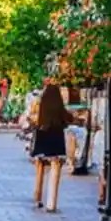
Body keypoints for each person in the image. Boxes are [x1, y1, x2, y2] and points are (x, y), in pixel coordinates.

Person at [31, 83, 75, 213]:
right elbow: (69, 119)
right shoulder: (59, 108)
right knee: (55, 171)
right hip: (56, 138)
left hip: (42, 136)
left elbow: (35, 120)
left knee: (40, 169)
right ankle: (51, 203)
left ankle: (38, 197)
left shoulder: (42, 107)